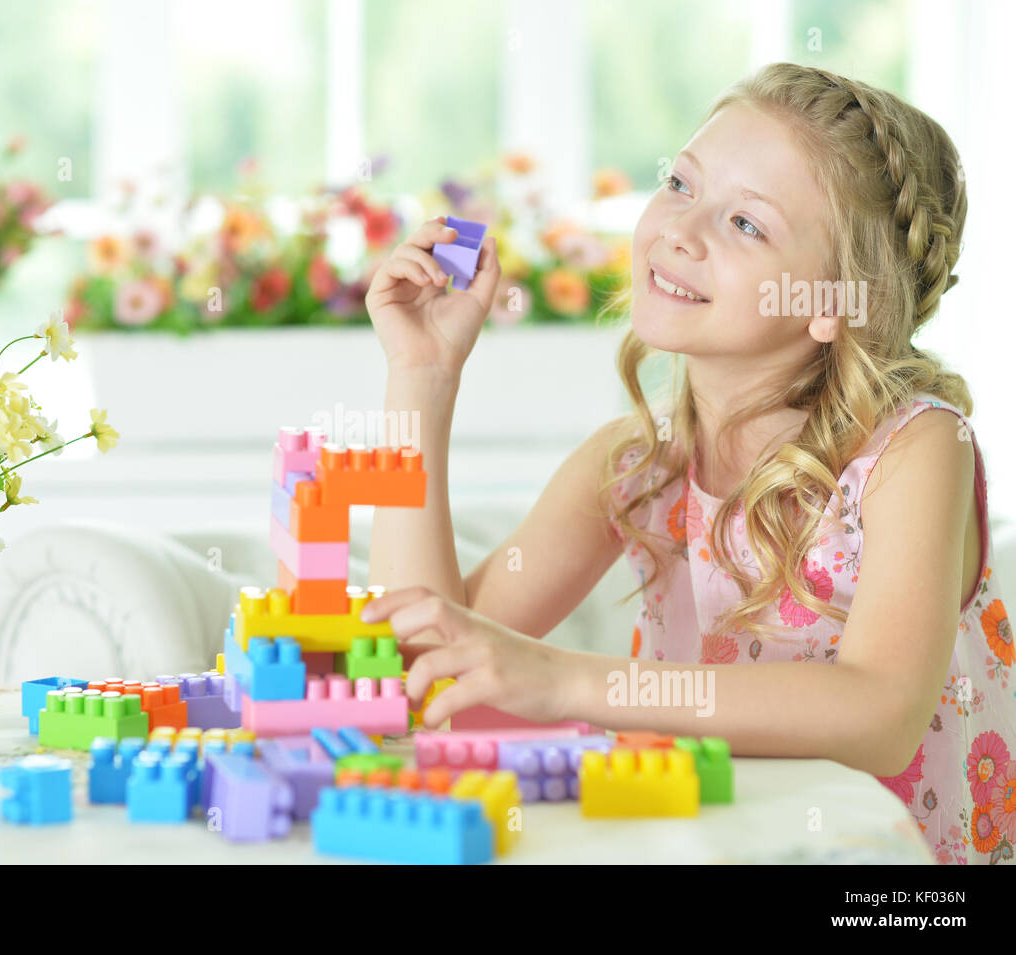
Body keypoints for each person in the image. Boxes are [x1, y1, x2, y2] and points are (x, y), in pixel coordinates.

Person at [360, 62, 1011, 865]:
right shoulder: (634, 468)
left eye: (746, 224)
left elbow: (879, 712)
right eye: (680, 182)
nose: (679, 229)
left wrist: (563, 680)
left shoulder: (915, 451)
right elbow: (421, 659)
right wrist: (420, 380)